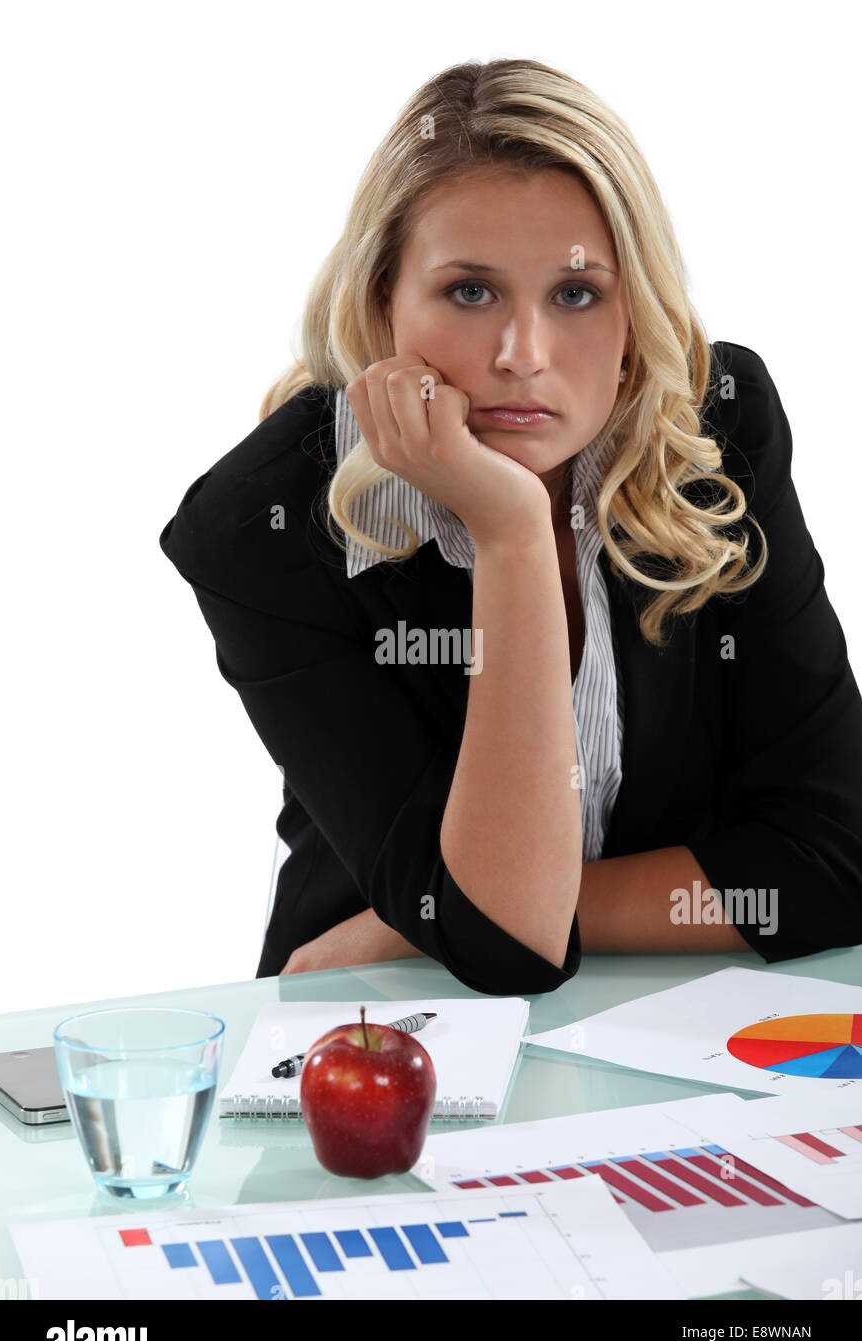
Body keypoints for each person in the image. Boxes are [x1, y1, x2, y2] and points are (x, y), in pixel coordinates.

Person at [159, 58, 862, 996]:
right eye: (470, 292)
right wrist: (514, 533)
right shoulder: (262, 525)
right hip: (382, 1020)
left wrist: (424, 926)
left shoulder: (714, 428)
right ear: (381, 305)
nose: (520, 357)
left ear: (631, 312)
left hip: (657, 1016)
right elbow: (502, 946)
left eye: (576, 295)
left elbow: (840, 860)